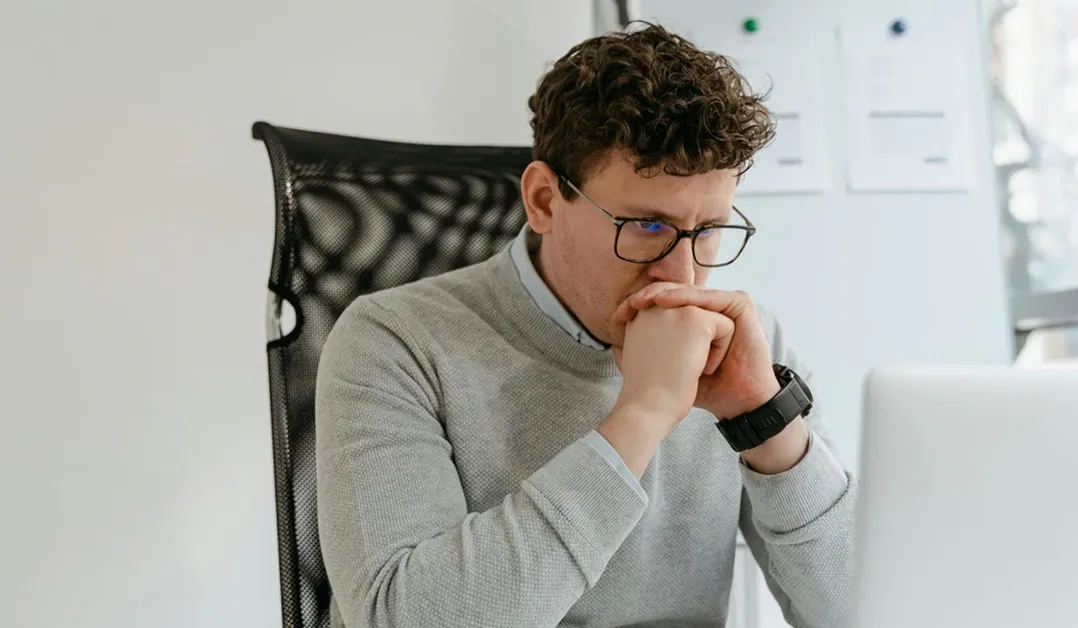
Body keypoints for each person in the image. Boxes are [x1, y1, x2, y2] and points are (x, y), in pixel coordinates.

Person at [315, 22, 857, 628]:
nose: (682, 274)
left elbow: (869, 612)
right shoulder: (393, 342)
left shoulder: (743, 347)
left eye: (707, 232)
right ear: (545, 200)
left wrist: (766, 421)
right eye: (647, 226)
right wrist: (643, 415)